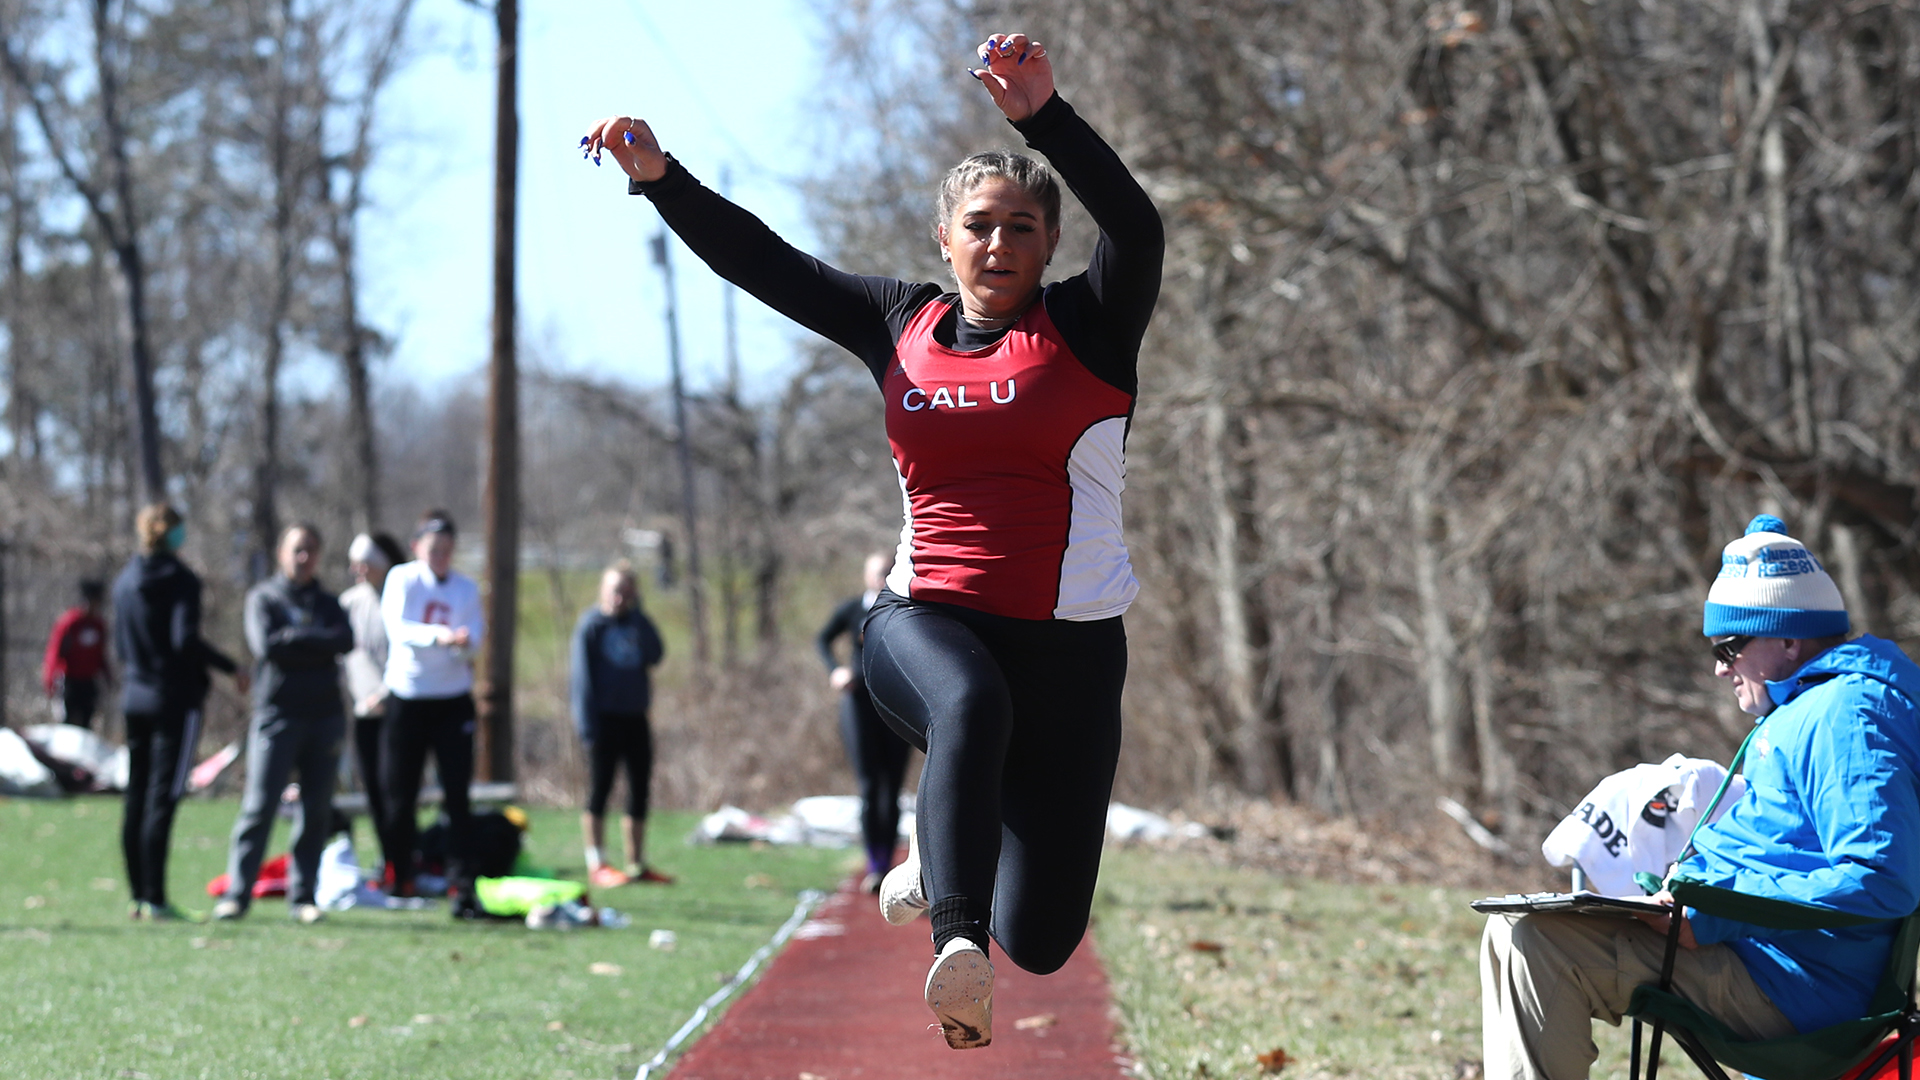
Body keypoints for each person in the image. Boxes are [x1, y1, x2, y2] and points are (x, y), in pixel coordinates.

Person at [584, 29, 1162, 1049]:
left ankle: (948, 858)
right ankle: (957, 944)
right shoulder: (901, 324)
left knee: (1044, 938)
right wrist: (662, 181)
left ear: (1049, 245)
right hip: (924, 621)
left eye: (1022, 229)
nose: (998, 245)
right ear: (945, 238)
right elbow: (769, 264)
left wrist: (1045, 118)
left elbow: (1138, 224)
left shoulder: (1092, 325)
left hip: (1072, 651)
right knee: (969, 704)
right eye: (979, 226)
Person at [1480, 515, 1920, 1080]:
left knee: (1534, 941)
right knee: (1514, 928)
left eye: (1730, 648)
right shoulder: (1814, 708)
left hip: (1797, 989)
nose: (1719, 668)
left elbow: (1882, 880)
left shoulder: (1844, 718)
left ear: (1789, 639)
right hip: (1763, 959)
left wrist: (1710, 913)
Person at [112, 504, 248, 921]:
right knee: (163, 797)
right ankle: (155, 898)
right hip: (173, 701)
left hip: (134, 697)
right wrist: (230, 667)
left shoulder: (125, 580)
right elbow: (184, 639)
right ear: (172, 533)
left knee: (137, 795)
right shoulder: (180, 579)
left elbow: (121, 645)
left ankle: (139, 895)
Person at [214, 523, 354, 924]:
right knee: (259, 806)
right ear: (281, 553)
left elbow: (344, 641)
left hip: (325, 716)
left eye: (311, 549)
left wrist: (294, 637)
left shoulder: (329, 603)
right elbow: (267, 646)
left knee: (316, 810)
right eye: (297, 549)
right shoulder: (264, 598)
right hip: (277, 715)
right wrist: (314, 641)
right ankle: (237, 895)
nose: (304, 557)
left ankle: (303, 897)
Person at [379, 509, 485, 914]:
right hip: (408, 698)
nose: (441, 556)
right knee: (401, 794)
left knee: (457, 796)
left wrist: (464, 644)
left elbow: (476, 638)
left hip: (452, 701)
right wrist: (439, 636)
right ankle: (400, 875)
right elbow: (397, 628)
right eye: (433, 548)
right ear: (417, 547)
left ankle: (462, 883)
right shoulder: (402, 579)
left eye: (447, 549)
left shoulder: (465, 588)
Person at [817, 551, 914, 894]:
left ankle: (887, 863)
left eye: (887, 571)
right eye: (876, 572)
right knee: (870, 786)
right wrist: (836, 671)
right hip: (859, 704)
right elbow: (822, 639)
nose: (881, 577)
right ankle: (874, 864)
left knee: (892, 788)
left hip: (896, 704)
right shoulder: (852, 609)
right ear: (866, 576)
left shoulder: (905, 606)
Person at [569, 560, 669, 889]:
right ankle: (597, 863)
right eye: (615, 590)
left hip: (635, 717)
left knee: (639, 790)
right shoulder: (591, 626)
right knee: (601, 789)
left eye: (627, 591)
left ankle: (636, 863)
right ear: (603, 590)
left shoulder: (637, 623)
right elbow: (581, 680)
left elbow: (656, 654)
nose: (619, 597)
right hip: (603, 720)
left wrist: (640, 615)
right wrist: (587, 726)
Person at [339, 531, 407, 872]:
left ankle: (406, 859)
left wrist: (386, 692)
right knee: (373, 790)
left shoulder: (403, 598)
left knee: (397, 788)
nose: (358, 570)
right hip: (362, 711)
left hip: (399, 709)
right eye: (354, 564)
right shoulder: (349, 603)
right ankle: (388, 859)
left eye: (365, 563)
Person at [42, 579, 112, 729]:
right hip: (69, 681)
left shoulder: (98, 625)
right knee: (67, 724)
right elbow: (55, 652)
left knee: (87, 722)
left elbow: (100, 655)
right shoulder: (69, 623)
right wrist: (50, 679)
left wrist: (108, 676)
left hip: (89, 681)